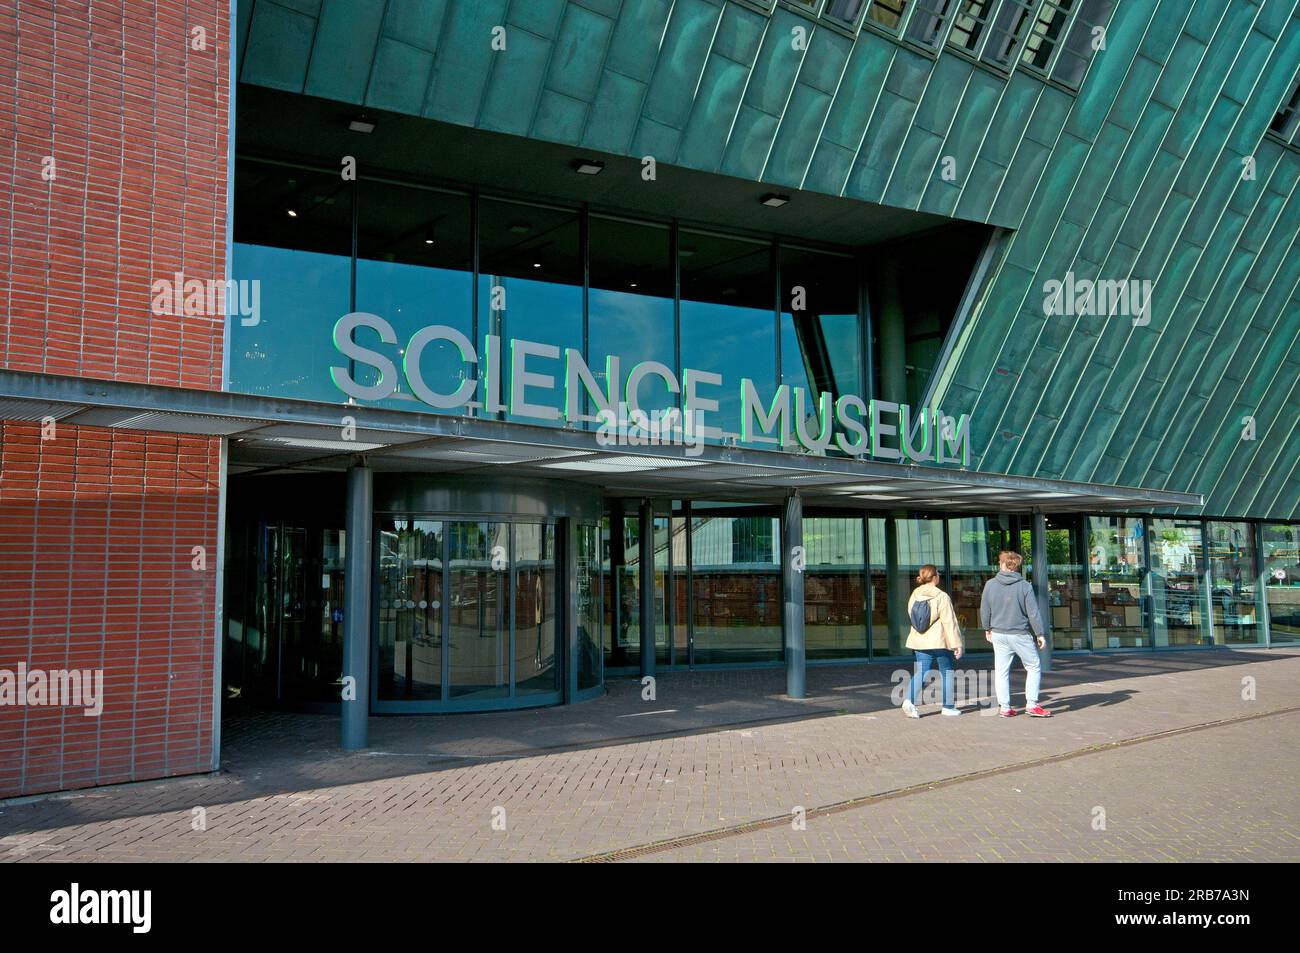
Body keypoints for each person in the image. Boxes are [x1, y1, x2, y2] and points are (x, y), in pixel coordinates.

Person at [980, 550, 1051, 718]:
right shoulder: (1024, 586)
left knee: (1001, 671)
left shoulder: (990, 584)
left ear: (1003, 564)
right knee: (1033, 666)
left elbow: (985, 609)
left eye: (1000, 561)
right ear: (1016, 566)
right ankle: (1032, 705)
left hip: (998, 633)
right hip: (1019, 634)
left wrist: (987, 628)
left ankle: (1005, 707)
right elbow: (1032, 612)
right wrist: (1039, 633)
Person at [902, 564, 963, 718]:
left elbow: (912, 615)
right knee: (947, 672)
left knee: (922, 671)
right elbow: (950, 622)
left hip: (920, 641)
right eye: (938, 574)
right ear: (935, 577)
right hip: (940, 642)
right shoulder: (941, 596)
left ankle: (909, 700)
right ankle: (948, 707)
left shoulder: (915, 594)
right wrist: (957, 644)